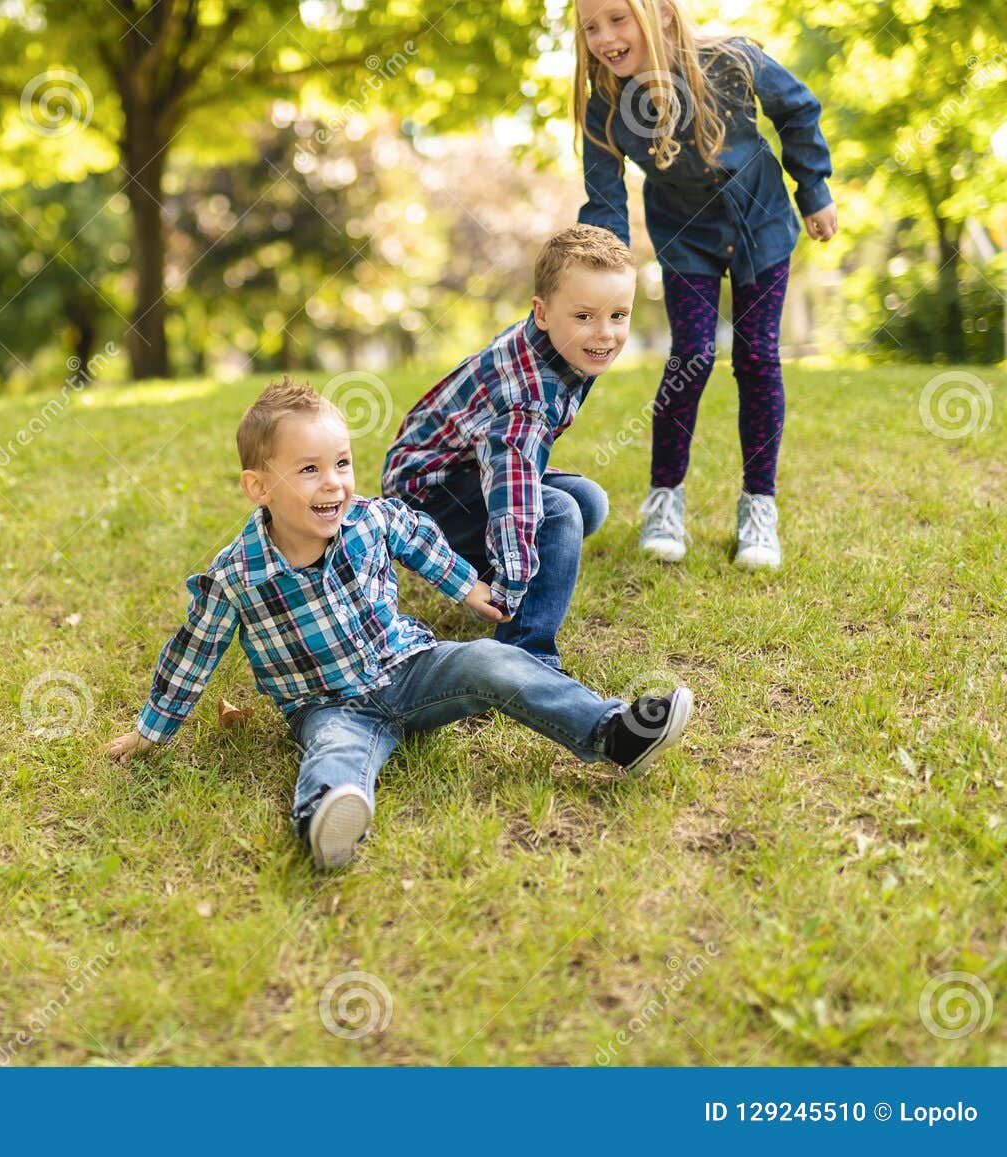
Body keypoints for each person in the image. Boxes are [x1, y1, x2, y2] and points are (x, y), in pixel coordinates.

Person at [105, 380, 692, 870]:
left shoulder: (369, 520)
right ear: (259, 487)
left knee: (495, 660)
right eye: (309, 470)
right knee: (334, 755)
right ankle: (329, 817)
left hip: (411, 667)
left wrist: (468, 587)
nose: (333, 482)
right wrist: (151, 731)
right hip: (328, 705)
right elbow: (194, 652)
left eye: (341, 463)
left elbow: (418, 538)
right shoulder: (237, 574)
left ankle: (615, 731)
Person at [573, 0, 836, 569]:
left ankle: (759, 505)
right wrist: (603, 271)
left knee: (758, 358)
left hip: (760, 224)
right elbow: (605, 197)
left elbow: (797, 108)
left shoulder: (732, 61)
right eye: (591, 26)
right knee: (690, 355)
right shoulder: (607, 107)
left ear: (662, 14)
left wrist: (813, 190)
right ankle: (665, 500)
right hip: (685, 237)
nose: (604, 37)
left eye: (617, 19)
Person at [381, 224, 636, 671]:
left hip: (465, 468)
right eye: (584, 316)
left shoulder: (554, 346)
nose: (604, 334)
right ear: (542, 312)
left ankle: (488, 569)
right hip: (424, 495)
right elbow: (512, 493)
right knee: (557, 513)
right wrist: (511, 584)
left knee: (589, 501)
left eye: (618, 316)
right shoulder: (528, 396)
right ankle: (523, 653)